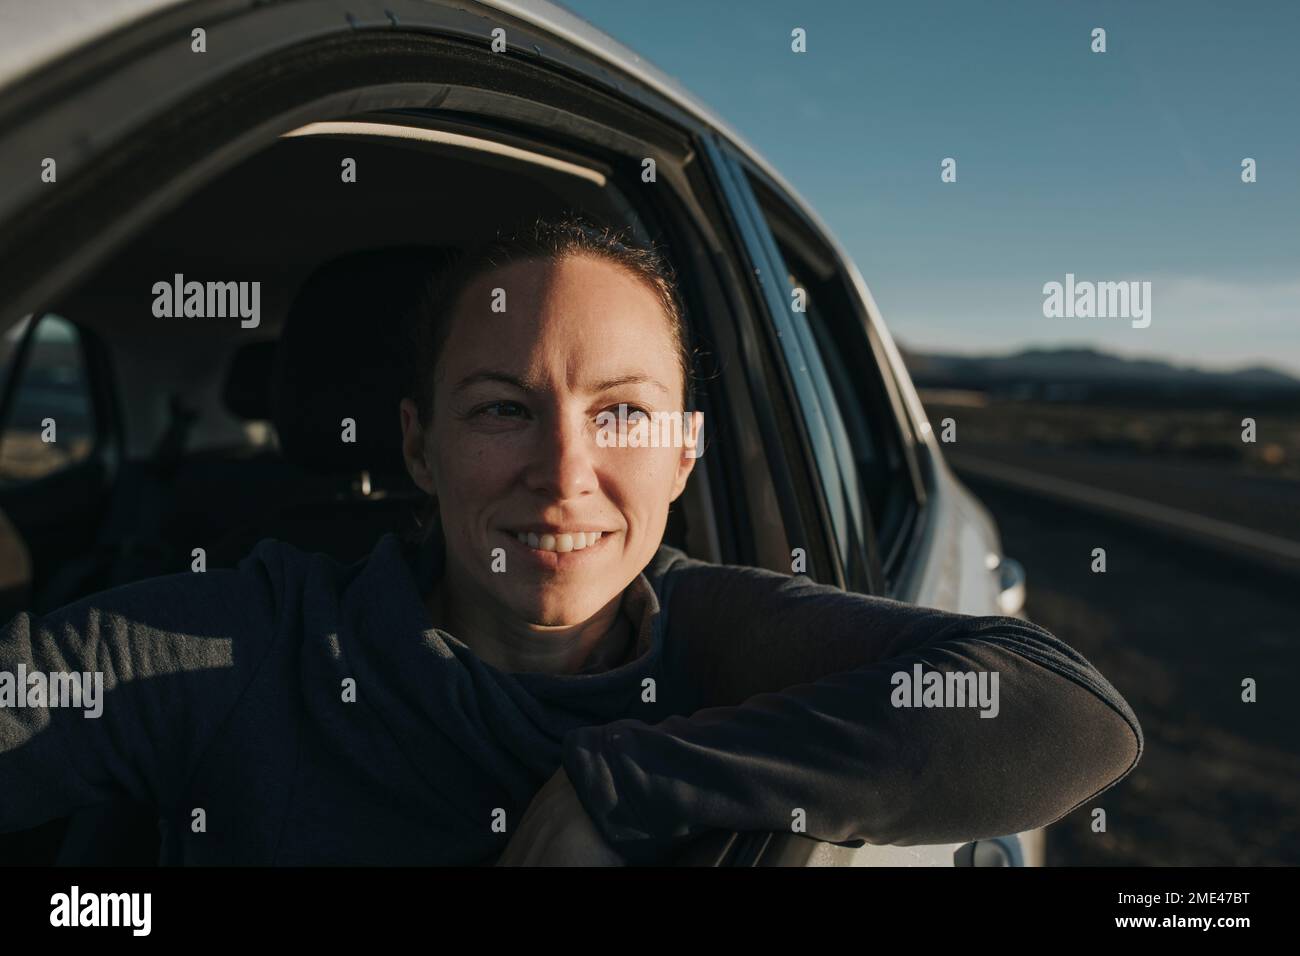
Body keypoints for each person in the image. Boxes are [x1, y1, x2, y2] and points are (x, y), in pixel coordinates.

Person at [0, 216, 1142, 866]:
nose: (562, 471)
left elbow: (1070, 713)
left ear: (685, 452)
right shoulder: (258, 640)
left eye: (621, 413)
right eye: (501, 406)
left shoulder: (720, 634)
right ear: (418, 444)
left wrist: (625, 785)